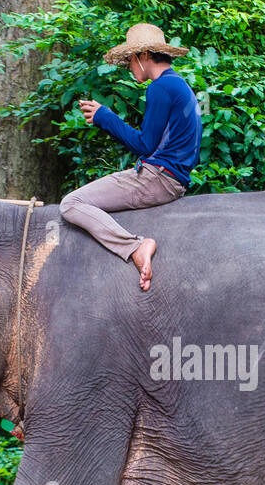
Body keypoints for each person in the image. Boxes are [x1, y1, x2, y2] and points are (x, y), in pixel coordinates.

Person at [60, 23, 203, 291]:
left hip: (158, 178)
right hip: (175, 179)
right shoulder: (179, 85)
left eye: (130, 59)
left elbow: (145, 145)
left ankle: (136, 246)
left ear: (144, 56)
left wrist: (105, 117)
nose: (128, 65)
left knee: (71, 203)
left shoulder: (160, 88)